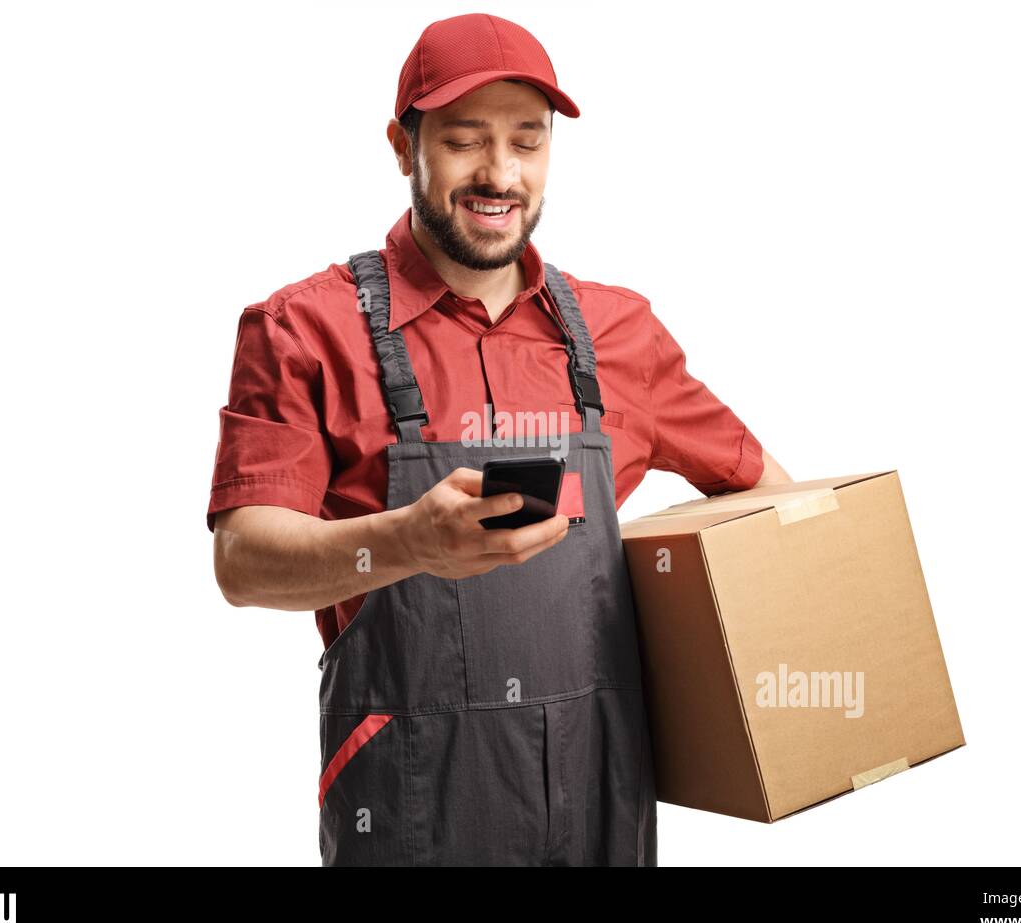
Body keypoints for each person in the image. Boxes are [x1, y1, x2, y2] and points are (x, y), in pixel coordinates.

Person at [207, 13, 792, 866]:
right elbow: (243, 563)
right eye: (464, 140)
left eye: (528, 140)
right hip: (410, 816)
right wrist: (405, 541)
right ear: (403, 149)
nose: (500, 174)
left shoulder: (619, 333)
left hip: (601, 811)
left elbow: (769, 505)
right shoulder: (305, 329)